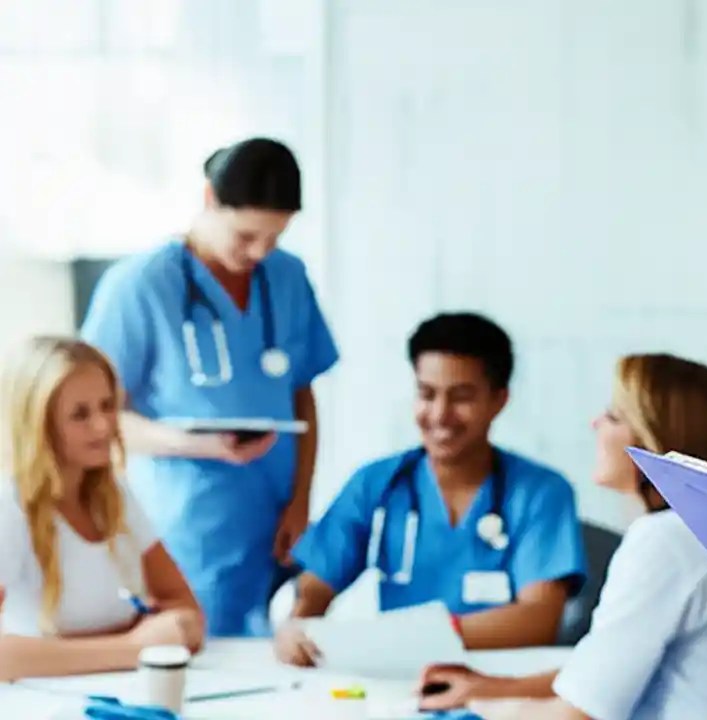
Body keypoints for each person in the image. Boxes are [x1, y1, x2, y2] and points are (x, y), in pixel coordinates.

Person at [417, 354, 707, 720]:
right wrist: (490, 688)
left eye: (613, 416)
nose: (596, 423)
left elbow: (578, 714)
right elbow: (601, 676)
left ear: (654, 439)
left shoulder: (667, 540)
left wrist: (482, 705)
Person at [79, 137, 340, 638]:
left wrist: (301, 500)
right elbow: (103, 418)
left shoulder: (287, 276)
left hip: (277, 518)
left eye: (275, 237)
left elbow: (301, 392)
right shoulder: (140, 285)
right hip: (188, 522)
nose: (259, 252)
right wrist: (197, 445)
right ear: (208, 200)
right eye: (246, 235)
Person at [274, 312, 586, 663]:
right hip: (401, 683)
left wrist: (421, 638)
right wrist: (297, 625)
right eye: (427, 394)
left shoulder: (540, 493)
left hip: (503, 686)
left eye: (461, 397)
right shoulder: (378, 484)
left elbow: (538, 619)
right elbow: (316, 583)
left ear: (499, 400)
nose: (439, 414)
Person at [0, 337, 204, 681]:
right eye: (80, 415)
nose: (102, 425)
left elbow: (187, 612)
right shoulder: (11, 506)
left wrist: (170, 630)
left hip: (115, 687)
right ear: (38, 424)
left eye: (107, 406)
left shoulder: (114, 494)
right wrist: (133, 647)